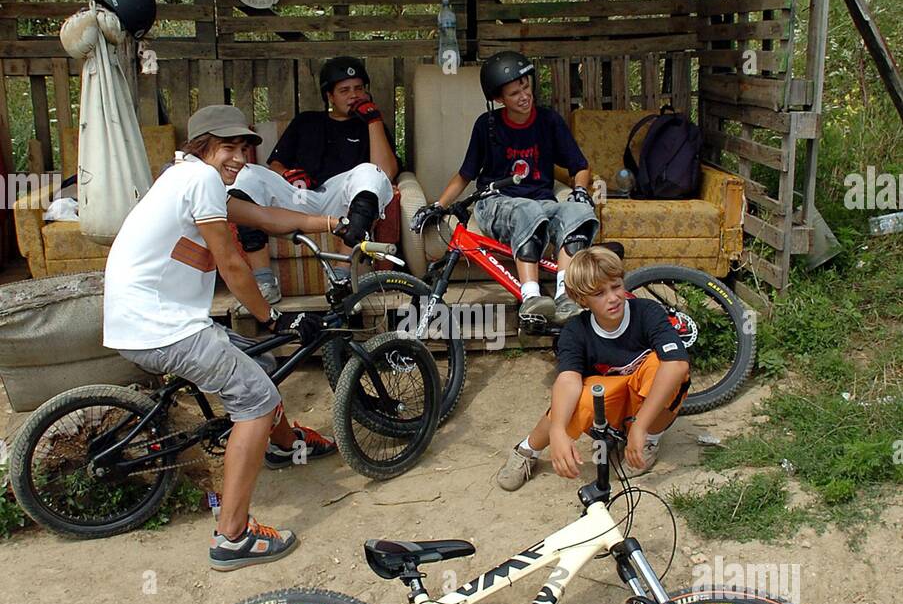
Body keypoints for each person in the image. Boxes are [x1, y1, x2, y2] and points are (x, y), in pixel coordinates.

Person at [103, 104, 338, 570]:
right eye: (227, 147)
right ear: (202, 146)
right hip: (164, 326)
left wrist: (333, 224)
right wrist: (273, 319)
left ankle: (283, 443)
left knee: (260, 366)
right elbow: (232, 262)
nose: (238, 157)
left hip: (142, 320)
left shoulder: (186, 179)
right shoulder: (202, 181)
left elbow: (269, 218)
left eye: (244, 148)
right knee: (253, 400)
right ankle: (233, 535)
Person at [410, 51, 598, 325]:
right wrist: (438, 205)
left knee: (577, 214)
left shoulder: (549, 121)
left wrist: (579, 191)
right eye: (514, 93)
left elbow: (580, 166)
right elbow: (465, 175)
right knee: (528, 211)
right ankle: (532, 297)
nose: (524, 96)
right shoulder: (487, 126)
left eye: (526, 86)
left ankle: (564, 295)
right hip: (495, 202)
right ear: (499, 99)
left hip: (542, 200)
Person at [496, 245, 690, 490]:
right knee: (581, 394)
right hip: (608, 407)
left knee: (666, 366)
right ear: (581, 299)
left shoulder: (647, 312)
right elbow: (567, 381)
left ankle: (649, 439)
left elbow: (677, 365)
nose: (612, 297)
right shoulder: (575, 331)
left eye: (616, 286)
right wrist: (557, 431)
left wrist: (640, 427)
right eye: (599, 293)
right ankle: (526, 450)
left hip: (645, 406)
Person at [231, 56, 398, 305]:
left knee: (368, 172)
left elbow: (384, 173)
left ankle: (342, 282)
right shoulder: (306, 121)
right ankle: (264, 281)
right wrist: (286, 175)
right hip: (299, 196)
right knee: (246, 176)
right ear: (330, 96)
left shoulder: (371, 126)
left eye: (359, 88)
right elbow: (275, 165)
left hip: (343, 200)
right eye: (344, 90)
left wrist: (373, 120)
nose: (353, 95)